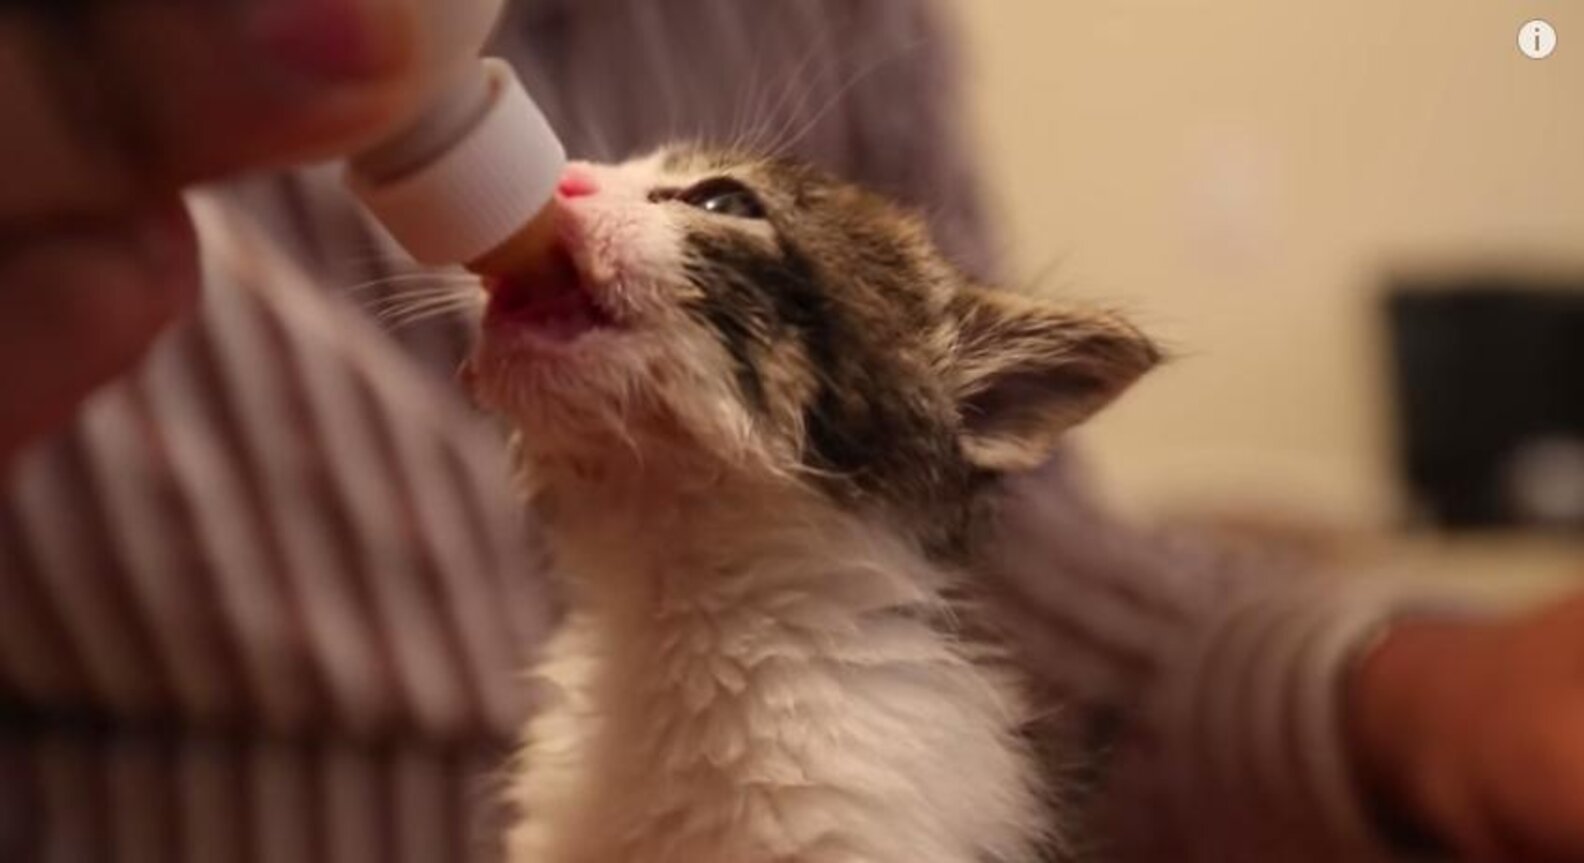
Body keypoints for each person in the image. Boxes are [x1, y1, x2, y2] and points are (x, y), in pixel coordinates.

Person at [1, 2, 1581, 861]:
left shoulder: (863, 772)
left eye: (718, 202)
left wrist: (1395, 690)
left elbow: (1061, 572)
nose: (570, 189)